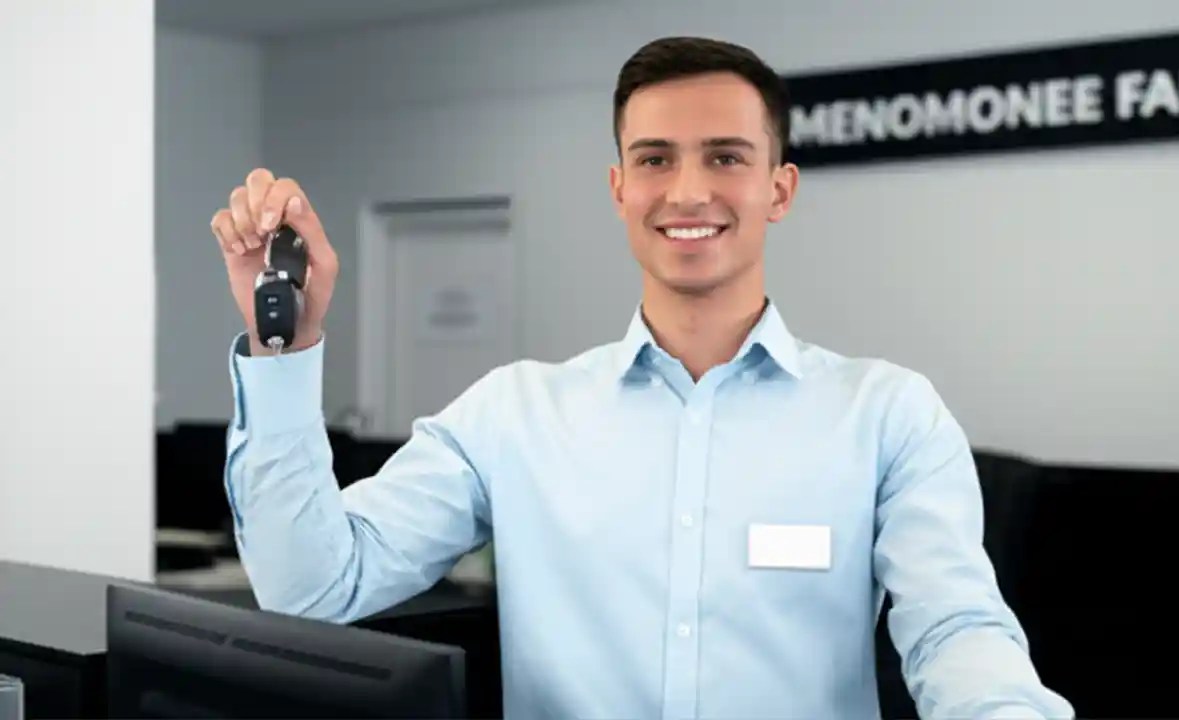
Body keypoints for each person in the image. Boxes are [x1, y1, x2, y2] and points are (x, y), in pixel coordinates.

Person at [210, 36, 1073, 720]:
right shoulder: (515, 415)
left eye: (727, 157)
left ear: (780, 189)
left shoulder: (887, 414)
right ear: (620, 187)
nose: (688, 190)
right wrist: (287, 344)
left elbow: (957, 631)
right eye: (655, 159)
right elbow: (313, 587)